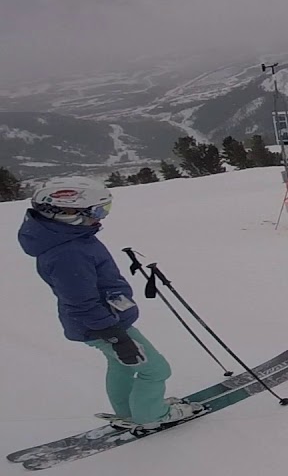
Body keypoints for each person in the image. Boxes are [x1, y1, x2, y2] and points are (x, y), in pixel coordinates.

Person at [18, 177, 202, 430]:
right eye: (97, 211)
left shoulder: (67, 238)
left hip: (103, 321)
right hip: (104, 325)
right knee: (156, 370)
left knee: (122, 365)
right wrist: (117, 337)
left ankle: (131, 411)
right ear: (69, 213)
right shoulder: (68, 252)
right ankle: (151, 415)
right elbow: (82, 302)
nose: (101, 217)